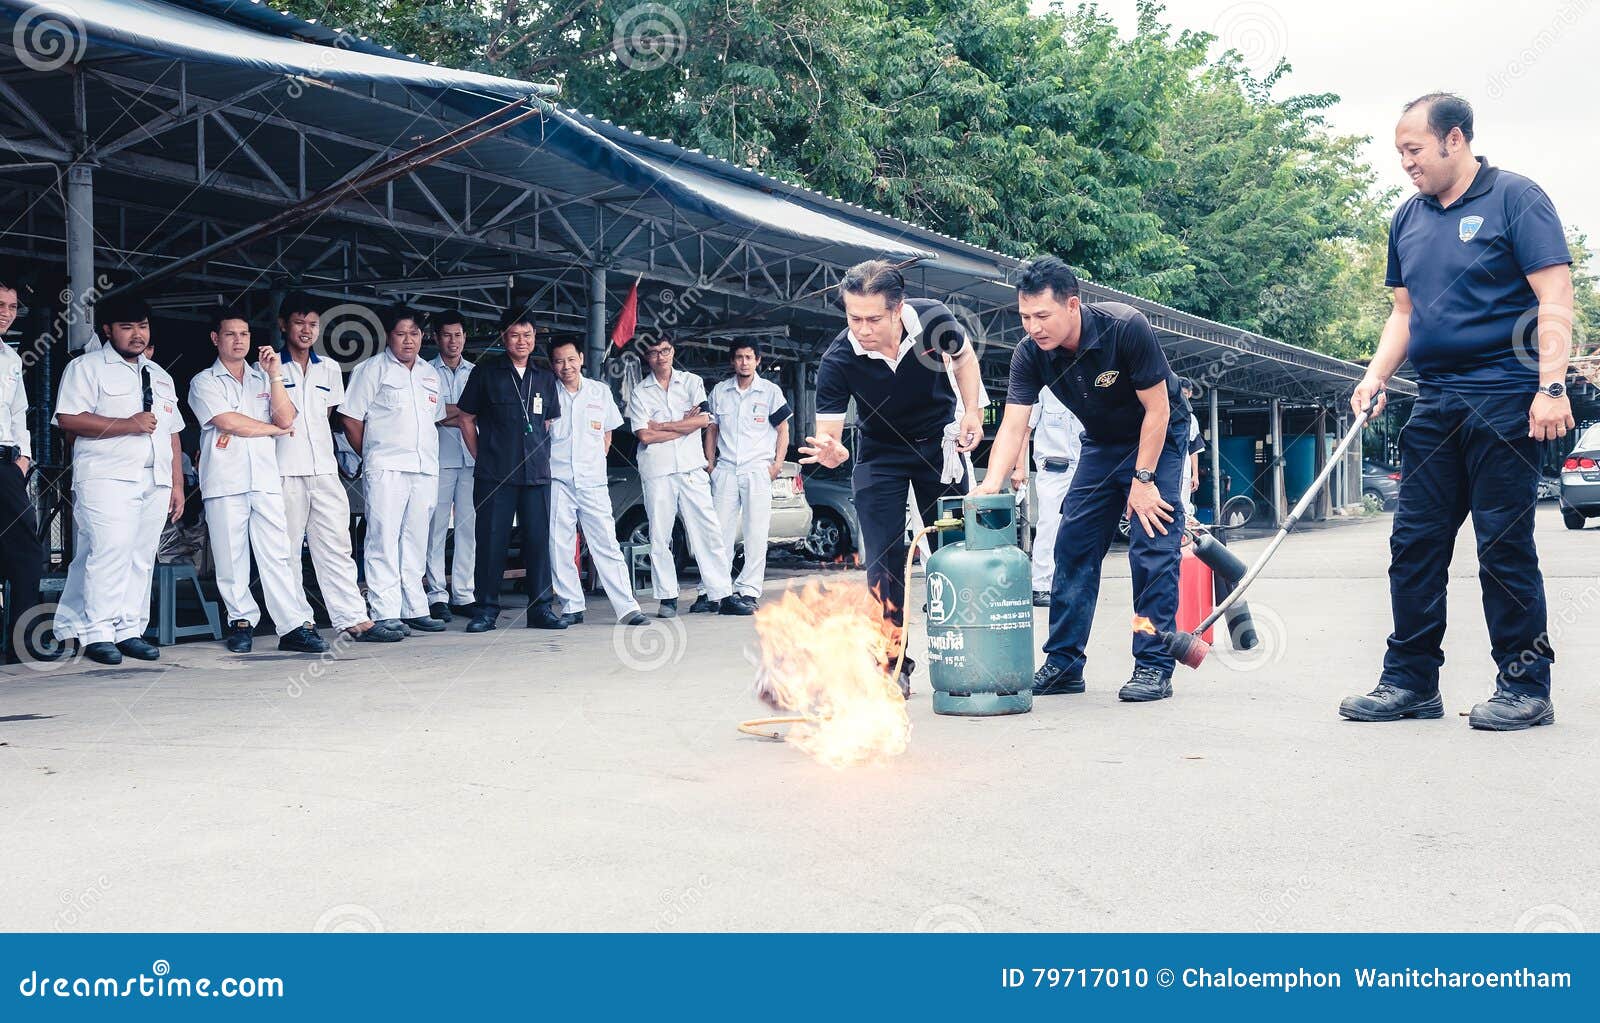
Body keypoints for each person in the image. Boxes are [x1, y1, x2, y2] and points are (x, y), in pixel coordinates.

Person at [1339, 93, 1573, 731]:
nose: (1406, 164)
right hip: (1435, 399)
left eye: (1414, 150)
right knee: (1414, 544)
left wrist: (1551, 388)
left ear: (1456, 139)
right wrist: (1374, 376)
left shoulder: (1516, 198)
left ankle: (1526, 688)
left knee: (1503, 547)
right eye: (1399, 154)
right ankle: (1410, 682)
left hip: (1504, 396)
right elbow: (1404, 313)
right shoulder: (1407, 218)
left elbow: (1553, 293)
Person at [977, 256, 1188, 703]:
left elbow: (1158, 409)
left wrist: (1144, 480)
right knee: (1072, 543)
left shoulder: (1125, 326)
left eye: (1042, 316)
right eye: (1024, 317)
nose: (1033, 327)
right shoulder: (1030, 354)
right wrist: (990, 485)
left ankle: (1152, 666)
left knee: (1151, 544)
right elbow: (1014, 424)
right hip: (1101, 443)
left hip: (1160, 436)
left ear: (1072, 305)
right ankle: (1064, 663)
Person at [800, 260, 984, 693]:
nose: (861, 329)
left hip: (938, 446)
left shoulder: (934, 319)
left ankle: (966, 656)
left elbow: (964, 358)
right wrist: (833, 451)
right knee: (883, 561)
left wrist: (972, 411)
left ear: (898, 308)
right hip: (879, 452)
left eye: (872, 319)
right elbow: (828, 436)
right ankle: (892, 663)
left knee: (954, 552)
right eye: (852, 317)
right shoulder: (838, 358)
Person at [186, 307, 328, 654]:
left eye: (245, 334)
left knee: (277, 554)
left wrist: (276, 375)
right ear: (215, 339)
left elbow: (287, 415)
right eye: (231, 334)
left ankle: (292, 626)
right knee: (231, 556)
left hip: (264, 477)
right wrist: (275, 431)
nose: (239, 340)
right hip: (224, 480)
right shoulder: (204, 381)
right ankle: (241, 621)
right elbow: (228, 421)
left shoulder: (262, 378)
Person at [51, 296, 183, 665]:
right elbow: (68, 419)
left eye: (142, 326)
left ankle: (129, 629)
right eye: (127, 327)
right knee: (110, 550)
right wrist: (128, 425)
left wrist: (177, 485)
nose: (137, 334)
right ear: (107, 330)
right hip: (106, 476)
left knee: (141, 557)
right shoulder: (86, 367)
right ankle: (98, 633)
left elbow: (171, 432)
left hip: (154, 477)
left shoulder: (160, 375)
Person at [275, 293, 400, 644]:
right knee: (285, 551)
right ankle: (297, 624)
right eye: (299, 323)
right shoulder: (268, 368)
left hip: (325, 470)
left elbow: (327, 416)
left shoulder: (328, 368)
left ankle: (353, 619)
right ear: (284, 324)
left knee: (336, 545)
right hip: (284, 470)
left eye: (312, 324)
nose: (306, 330)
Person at [455, 311, 566, 632]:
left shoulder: (545, 376)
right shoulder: (486, 374)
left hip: (536, 476)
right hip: (494, 476)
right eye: (515, 335)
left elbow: (547, 422)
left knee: (537, 542)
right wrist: (482, 457)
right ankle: (486, 610)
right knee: (491, 541)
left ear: (534, 339)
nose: (522, 342)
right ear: (504, 337)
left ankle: (541, 609)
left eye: (528, 335)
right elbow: (465, 417)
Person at [625, 336, 750, 619]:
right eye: (654, 352)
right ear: (647, 357)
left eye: (665, 350)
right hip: (658, 471)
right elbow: (644, 434)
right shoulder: (640, 392)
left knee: (708, 531)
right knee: (660, 535)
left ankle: (723, 594)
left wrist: (666, 426)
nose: (661, 357)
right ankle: (667, 597)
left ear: (673, 352)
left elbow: (704, 420)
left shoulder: (692, 382)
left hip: (692, 468)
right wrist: (685, 425)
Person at [341, 306, 447, 635]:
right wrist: (372, 454)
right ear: (389, 336)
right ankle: (385, 610)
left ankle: (414, 607)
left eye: (414, 334)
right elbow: (350, 418)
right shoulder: (370, 370)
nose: (408, 340)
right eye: (401, 334)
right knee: (383, 538)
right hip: (386, 467)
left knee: (416, 538)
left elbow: (437, 419)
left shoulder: (430, 373)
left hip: (424, 467)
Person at [545, 337, 647, 627]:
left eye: (571, 359)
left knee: (606, 542)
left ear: (580, 358)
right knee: (560, 544)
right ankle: (571, 605)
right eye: (559, 361)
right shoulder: (548, 393)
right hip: (558, 478)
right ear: (553, 365)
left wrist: (596, 460)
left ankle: (627, 607)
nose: (566, 366)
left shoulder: (599, 392)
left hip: (592, 481)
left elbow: (608, 432)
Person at [701, 340, 791, 611]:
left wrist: (777, 464)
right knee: (718, 532)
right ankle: (716, 591)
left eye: (749, 357)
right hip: (726, 469)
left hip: (757, 469)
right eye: (739, 357)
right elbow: (712, 429)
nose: (744, 362)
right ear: (732, 361)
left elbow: (783, 429)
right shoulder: (720, 391)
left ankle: (749, 590)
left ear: (757, 361)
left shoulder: (770, 392)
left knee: (755, 532)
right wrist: (710, 463)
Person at [0, 280, 45, 663]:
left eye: (12, 306)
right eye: (0, 304)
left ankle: (21, 642)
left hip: (5, 466)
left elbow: (19, 414)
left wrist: (23, 459)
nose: (6, 312)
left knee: (26, 549)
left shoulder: (11, 359)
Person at [424, 310, 476, 622]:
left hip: (470, 458)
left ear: (464, 337)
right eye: (446, 335)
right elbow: (432, 413)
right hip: (438, 460)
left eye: (458, 335)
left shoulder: (476, 372)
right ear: (436, 337)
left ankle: (464, 593)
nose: (453, 341)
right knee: (436, 529)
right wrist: (464, 413)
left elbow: (480, 411)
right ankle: (436, 594)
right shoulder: (425, 372)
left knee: (469, 529)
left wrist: (452, 413)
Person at [1016, 385, 1082, 608]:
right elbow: (1024, 429)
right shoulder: (1043, 388)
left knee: (1079, 528)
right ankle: (1040, 585)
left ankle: (1068, 583)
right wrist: (1020, 467)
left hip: (1085, 467)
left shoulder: (1087, 382)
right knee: (1049, 525)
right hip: (1053, 468)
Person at [1178, 378, 1206, 520]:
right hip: (1167, 464)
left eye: (1184, 393)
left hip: (1185, 466)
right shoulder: (1163, 412)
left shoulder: (1192, 419)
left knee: (1183, 502)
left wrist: (1195, 475)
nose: (1181, 396)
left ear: (1189, 394)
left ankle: (1182, 535)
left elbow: (1194, 448)